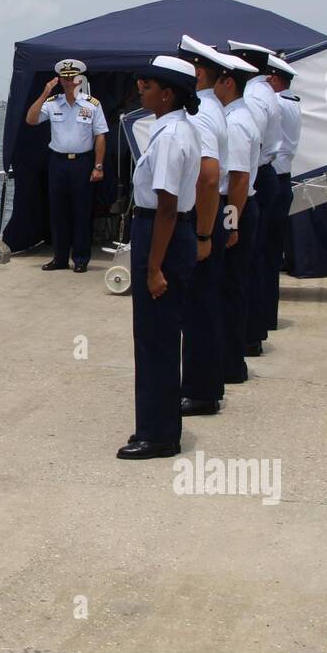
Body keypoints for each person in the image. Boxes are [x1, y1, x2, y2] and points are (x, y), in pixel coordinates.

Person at [117, 56, 201, 461]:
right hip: (166, 231)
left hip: (160, 232)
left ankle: (159, 434)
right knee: (159, 337)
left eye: (147, 87)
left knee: (156, 339)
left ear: (167, 94)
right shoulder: (177, 128)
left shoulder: (170, 136)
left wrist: (153, 268)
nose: (141, 92)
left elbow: (167, 204)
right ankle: (158, 425)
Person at [175, 36, 243, 417]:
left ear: (198, 71)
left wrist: (202, 234)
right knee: (206, 302)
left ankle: (200, 390)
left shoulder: (201, 113)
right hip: (214, 214)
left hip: (202, 215)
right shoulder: (216, 109)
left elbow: (209, 175)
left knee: (197, 306)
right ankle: (208, 383)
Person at [25, 58, 108, 273]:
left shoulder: (92, 104)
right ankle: (60, 258)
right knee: (58, 212)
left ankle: (80, 259)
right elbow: (31, 120)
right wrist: (44, 93)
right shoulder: (52, 103)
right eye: (65, 78)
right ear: (59, 79)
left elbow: (100, 136)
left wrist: (98, 166)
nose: (69, 82)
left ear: (79, 79)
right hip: (58, 162)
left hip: (83, 162)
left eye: (72, 78)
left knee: (81, 211)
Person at [227, 40, 283, 357]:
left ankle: (247, 336)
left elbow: (239, 172)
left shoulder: (250, 101)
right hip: (260, 175)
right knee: (258, 261)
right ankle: (255, 330)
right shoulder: (265, 95)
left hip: (252, 180)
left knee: (245, 266)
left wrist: (230, 222)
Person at [215, 52, 260, 384]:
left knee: (229, 290)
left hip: (236, 209)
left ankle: (230, 365)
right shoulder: (236, 116)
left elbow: (239, 178)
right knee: (228, 288)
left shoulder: (236, 122)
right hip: (236, 208)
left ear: (227, 82)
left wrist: (231, 223)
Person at [267, 54, 301, 331]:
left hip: (272, 180)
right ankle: (267, 315)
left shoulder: (276, 103)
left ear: (276, 79)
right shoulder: (291, 102)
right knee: (270, 254)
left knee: (261, 254)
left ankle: (262, 317)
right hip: (283, 179)